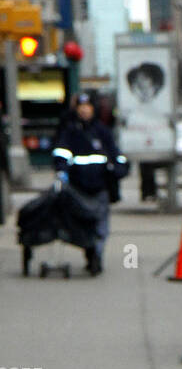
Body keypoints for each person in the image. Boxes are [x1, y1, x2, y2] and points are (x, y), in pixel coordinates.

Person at [52, 91, 128, 273]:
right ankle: (90, 250)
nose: (85, 111)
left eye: (88, 107)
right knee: (83, 221)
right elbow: (61, 154)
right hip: (78, 186)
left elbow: (117, 156)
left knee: (101, 222)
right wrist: (62, 172)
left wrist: (118, 170)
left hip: (100, 186)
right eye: (81, 107)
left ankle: (96, 254)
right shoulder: (70, 132)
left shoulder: (102, 131)